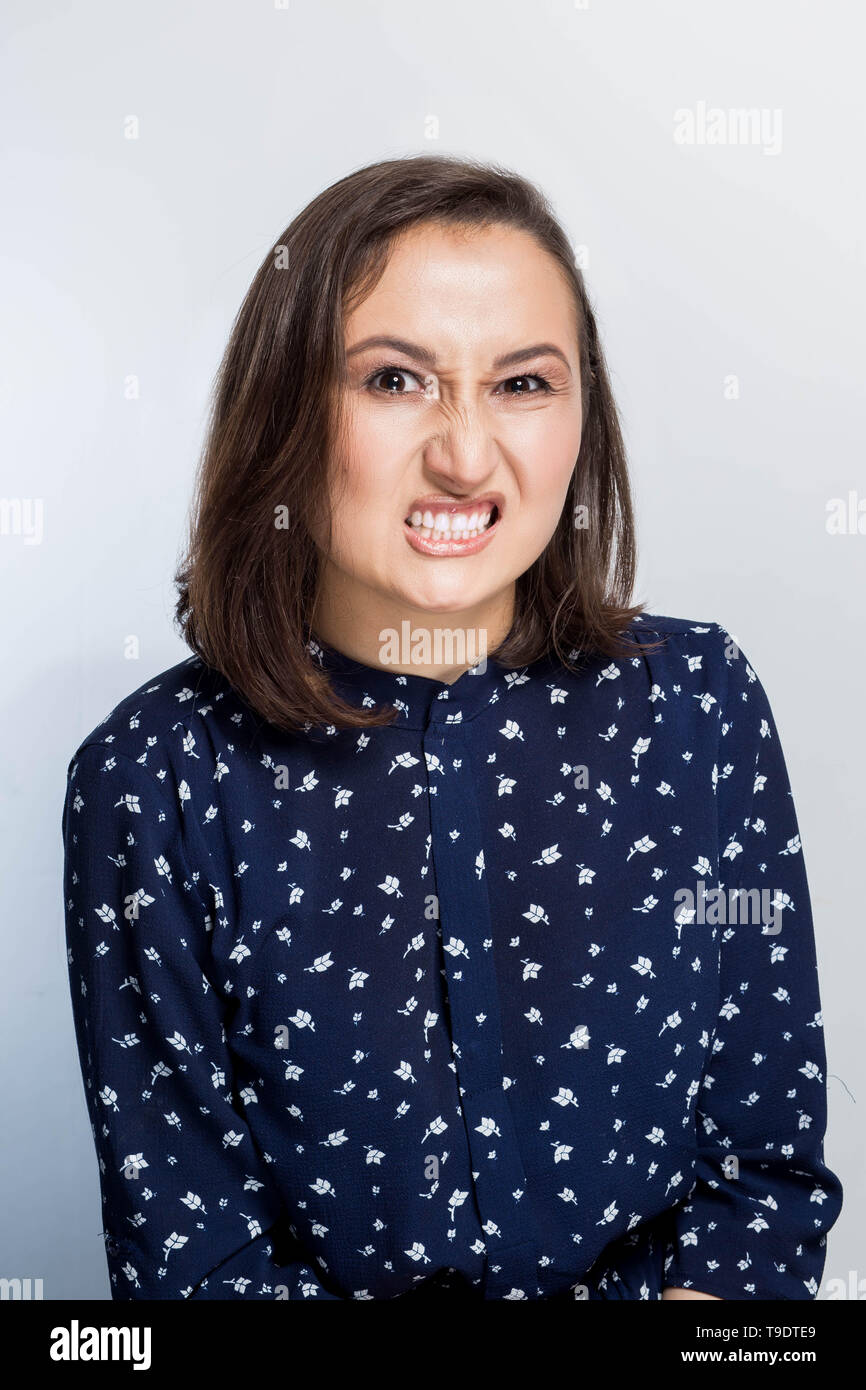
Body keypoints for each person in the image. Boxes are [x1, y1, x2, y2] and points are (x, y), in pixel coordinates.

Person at [61, 153, 843, 1300]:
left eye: (522, 383)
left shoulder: (699, 707)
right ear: (284, 407)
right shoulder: (155, 777)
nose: (466, 455)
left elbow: (765, 1178)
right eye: (393, 382)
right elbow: (194, 1265)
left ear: (583, 414)